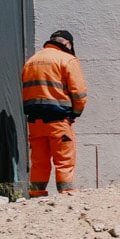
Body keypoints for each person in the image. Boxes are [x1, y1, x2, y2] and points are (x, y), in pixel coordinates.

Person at [19, 29, 89, 197]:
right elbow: (79, 94)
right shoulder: (67, 60)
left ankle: (36, 193)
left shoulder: (31, 61)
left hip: (34, 122)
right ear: (67, 44)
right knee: (64, 159)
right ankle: (66, 192)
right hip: (59, 121)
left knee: (39, 161)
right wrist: (75, 114)